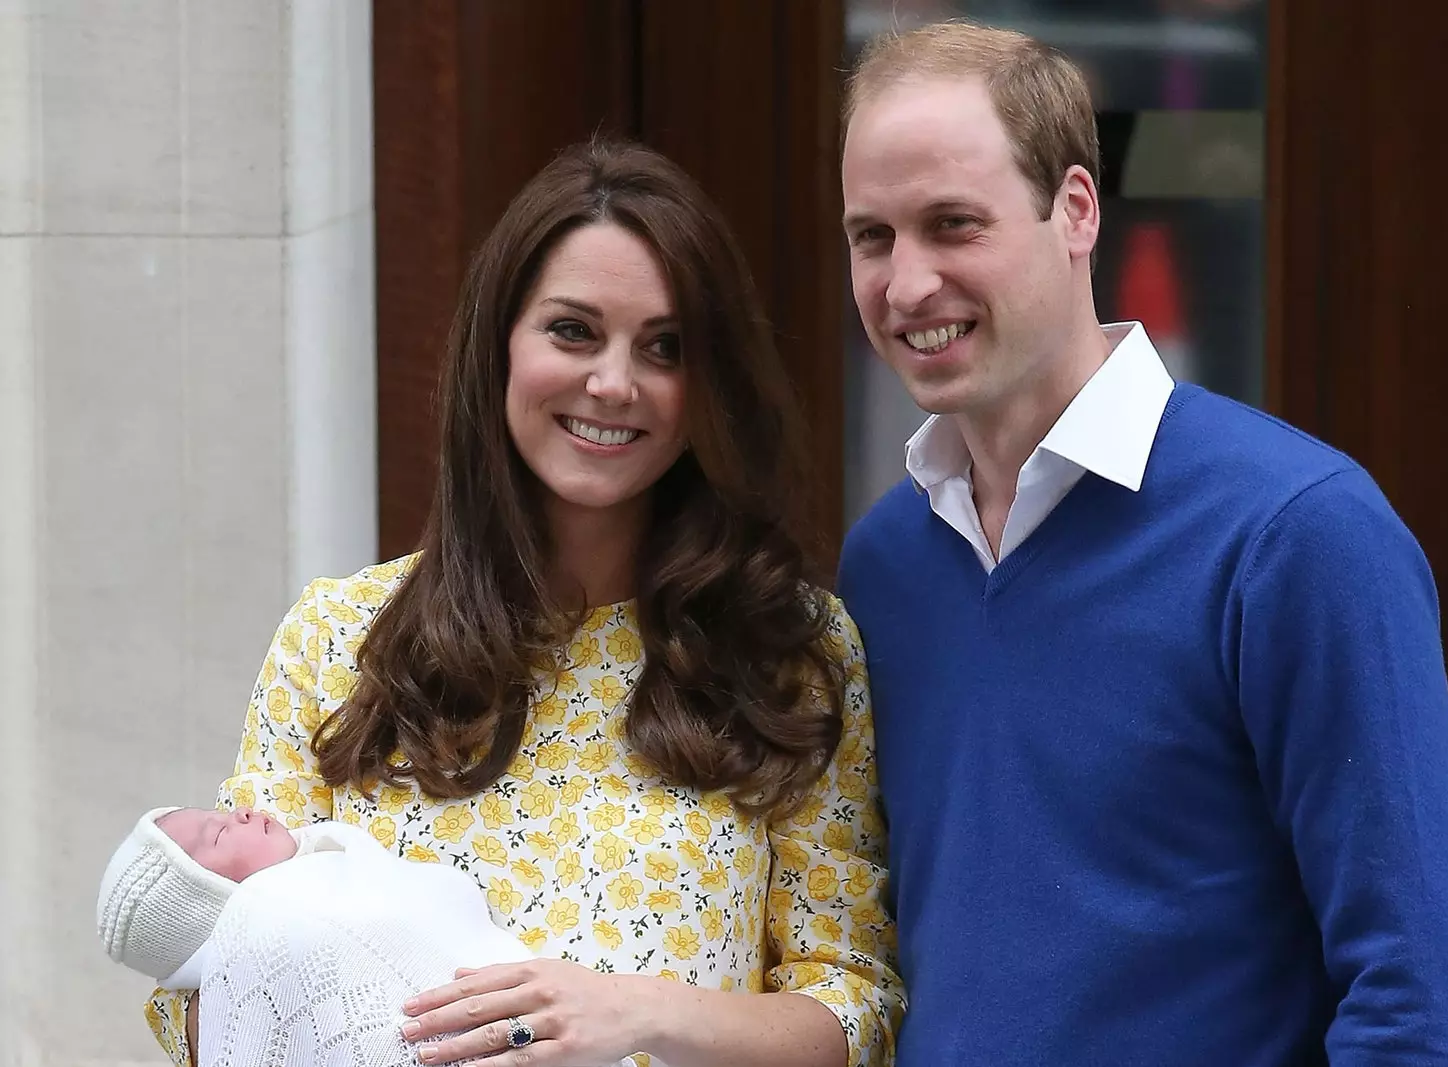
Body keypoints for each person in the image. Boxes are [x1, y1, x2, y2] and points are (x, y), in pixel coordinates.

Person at [139, 139, 903, 1067]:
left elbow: (853, 1007)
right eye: (573, 330)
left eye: (664, 347)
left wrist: (639, 1013)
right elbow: (204, 984)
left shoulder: (789, 652)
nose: (613, 383)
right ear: (499, 344)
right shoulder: (338, 638)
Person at [835, 21, 1448, 1067]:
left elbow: (1416, 994)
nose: (906, 284)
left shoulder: (1299, 534)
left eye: (953, 223)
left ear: (1076, 211)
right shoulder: (883, 566)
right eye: (873, 236)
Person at [102, 807, 626, 1067]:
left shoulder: (345, 872)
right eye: (215, 835)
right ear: (204, 901)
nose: (237, 812)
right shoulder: (278, 920)